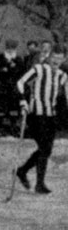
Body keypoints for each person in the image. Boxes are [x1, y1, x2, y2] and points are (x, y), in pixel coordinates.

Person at [14, 45, 68, 195]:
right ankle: (39, 184)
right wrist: (23, 102)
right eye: (53, 58)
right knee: (44, 148)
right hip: (35, 114)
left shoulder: (63, 76)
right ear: (49, 57)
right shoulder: (38, 69)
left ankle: (22, 170)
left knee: (47, 149)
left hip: (51, 115)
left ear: (64, 59)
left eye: (60, 58)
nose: (56, 61)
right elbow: (20, 83)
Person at [0, 39, 26, 134]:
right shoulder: (0, 57)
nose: (10, 50)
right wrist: (10, 66)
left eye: (12, 48)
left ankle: (13, 127)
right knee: (1, 107)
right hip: (1, 87)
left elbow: (19, 71)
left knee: (14, 107)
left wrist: (10, 68)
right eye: (8, 48)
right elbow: (1, 69)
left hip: (13, 87)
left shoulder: (18, 59)